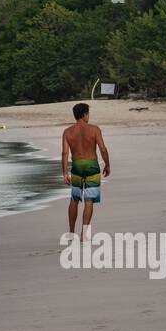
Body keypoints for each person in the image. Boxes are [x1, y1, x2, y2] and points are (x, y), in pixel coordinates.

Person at [61, 102, 110, 242]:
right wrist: (107, 165)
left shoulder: (68, 132)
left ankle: (71, 233)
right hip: (92, 167)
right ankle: (84, 235)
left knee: (74, 199)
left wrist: (65, 173)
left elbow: (64, 153)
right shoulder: (94, 129)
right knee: (89, 201)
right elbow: (103, 149)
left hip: (76, 166)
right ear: (85, 114)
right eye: (88, 113)